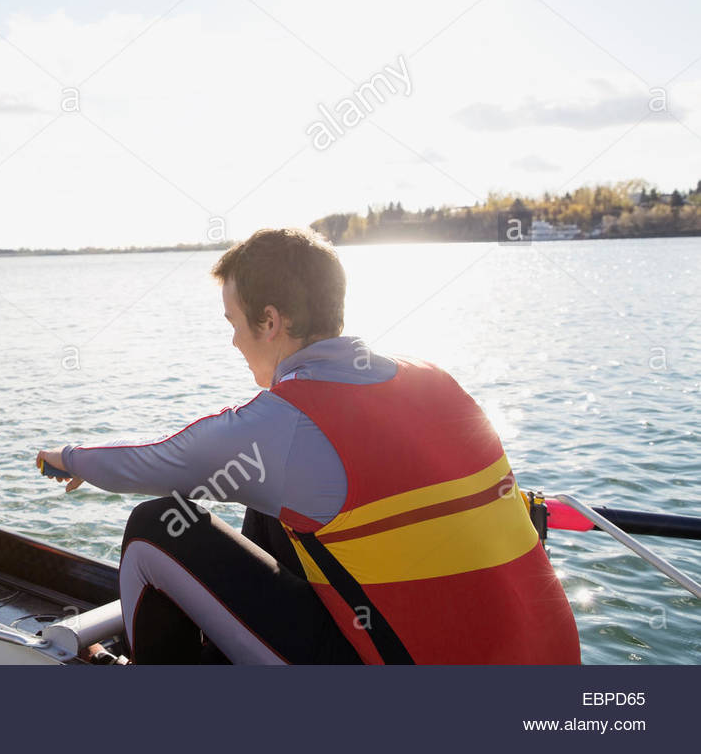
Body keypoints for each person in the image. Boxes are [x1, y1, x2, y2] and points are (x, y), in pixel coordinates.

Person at [37, 227, 580, 664]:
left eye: (233, 322)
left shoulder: (289, 423)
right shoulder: (434, 379)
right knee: (271, 505)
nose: (231, 339)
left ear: (270, 321)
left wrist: (70, 457)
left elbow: (159, 460)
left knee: (155, 527)